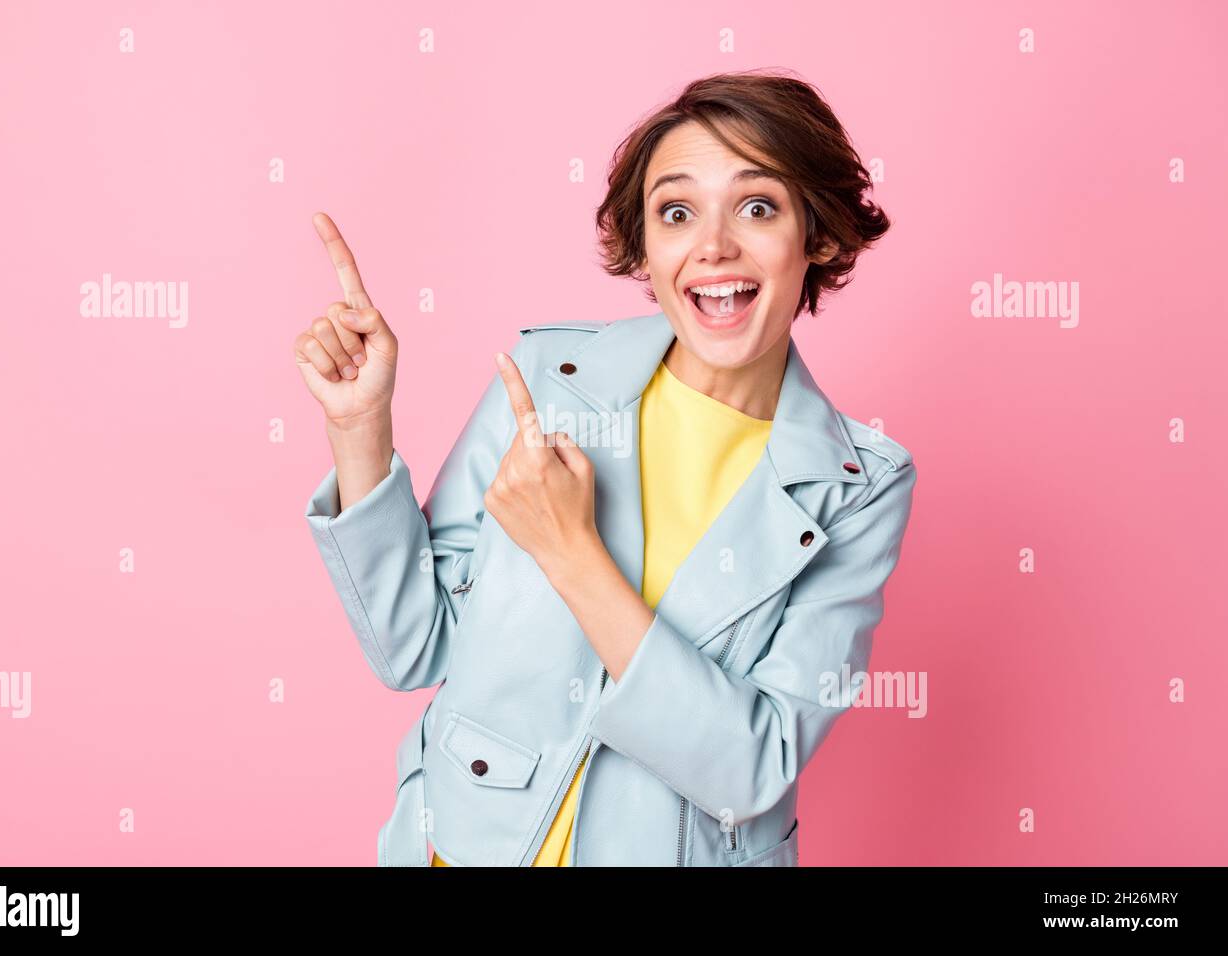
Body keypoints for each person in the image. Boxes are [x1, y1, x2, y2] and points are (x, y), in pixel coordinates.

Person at [296, 68, 916, 866]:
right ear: (647, 246)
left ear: (819, 236)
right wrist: (359, 428)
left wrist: (570, 551)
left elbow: (751, 767)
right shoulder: (547, 379)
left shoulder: (858, 487)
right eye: (677, 212)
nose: (713, 246)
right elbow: (413, 645)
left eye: (758, 207)